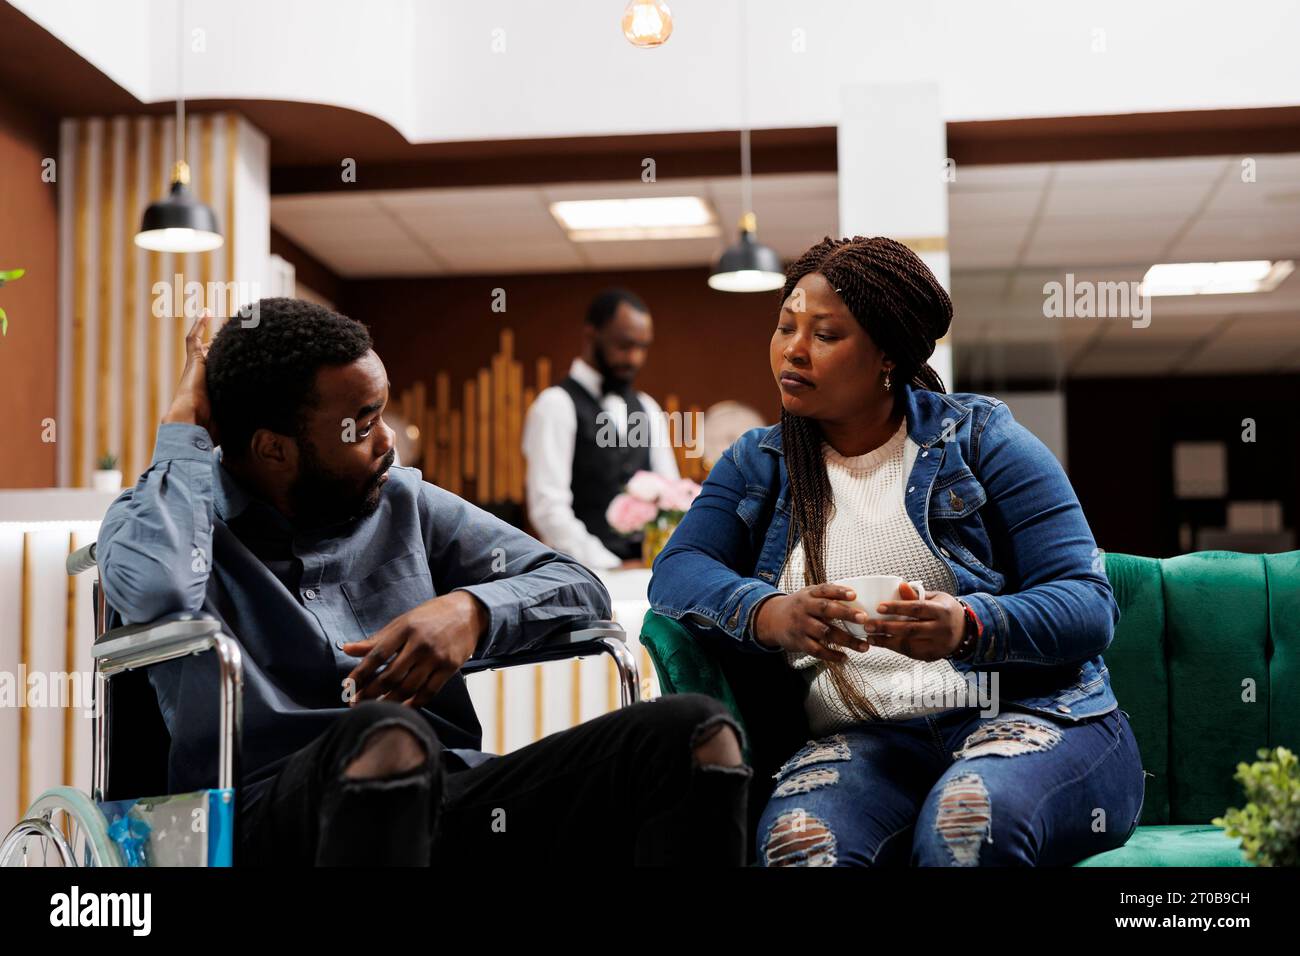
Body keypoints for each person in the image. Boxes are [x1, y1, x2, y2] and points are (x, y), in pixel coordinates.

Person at [97, 298, 750, 867]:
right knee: (386, 737)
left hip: (447, 793)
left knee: (694, 734)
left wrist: (473, 611)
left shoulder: (403, 502)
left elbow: (578, 586)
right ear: (274, 450)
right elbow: (161, 592)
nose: (389, 441)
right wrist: (185, 421)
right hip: (270, 812)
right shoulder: (161, 516)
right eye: (361, 423)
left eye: (384, 413)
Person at [648, 237, 1146, 867]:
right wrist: (771, 612)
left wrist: (969, 626)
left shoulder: (981, 438)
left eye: (825, 334)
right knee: (800, 848)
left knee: (965, 827)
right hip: (865, 741)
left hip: (1029, 717)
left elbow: (1087, 605)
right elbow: (678, 572)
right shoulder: (760, 462)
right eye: (784, 326)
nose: (793, 350)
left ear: (887, 354)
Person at [523, 288, 679, 570]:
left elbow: (671, 494)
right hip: (581, 572)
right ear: (592, 335)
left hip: (646, 573)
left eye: (642, 347)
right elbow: (548, 508)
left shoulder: (647, 407)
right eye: (624, 345)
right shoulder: (556, 405)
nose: (634, 358)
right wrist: (608, 565)